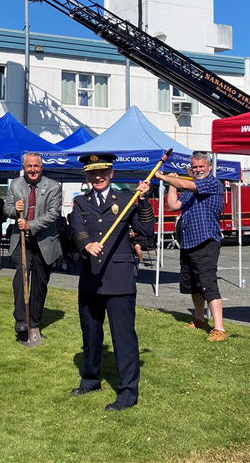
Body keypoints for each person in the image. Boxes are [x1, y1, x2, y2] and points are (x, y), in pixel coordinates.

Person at [69, 153, 154, 412]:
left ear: (111, 174)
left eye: (103, 172)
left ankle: (128, 392)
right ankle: (90, 379)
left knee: (124, 337)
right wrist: (86, 243)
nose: (98, 177)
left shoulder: (126, 200)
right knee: (91, 334)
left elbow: (146, 230)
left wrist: (143, 200)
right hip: (91, 279)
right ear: (87, 176)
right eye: (93, 173)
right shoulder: (80, 202)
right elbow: (76, 228)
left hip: (119, 279)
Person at [154, 151, 227, 342]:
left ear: (209, 167)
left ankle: (219, 328)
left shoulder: (212, 182)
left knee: (208, 282)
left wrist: (163, 176)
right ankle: (199, 319)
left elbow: (186, 184)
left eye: (201, 166)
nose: (198, 170)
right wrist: (171, 183)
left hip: (206, 240)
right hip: (188, 242)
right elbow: (172, 205)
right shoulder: (189, 190)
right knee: (194, 284)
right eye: (195, 167)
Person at [4, 152, 62, 340]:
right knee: (23, 270)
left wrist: (31, 224)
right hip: (21, 241)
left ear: (41, 167)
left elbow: (54, 213)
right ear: (23, 167)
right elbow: (7, 208)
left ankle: (34, 323)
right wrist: (15, 210)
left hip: (44, 243)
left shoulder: (53, 187)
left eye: (36, 166)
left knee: (40, 284)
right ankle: (21, 319)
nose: (33, 169)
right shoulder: (15, 184)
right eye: (29, 166)